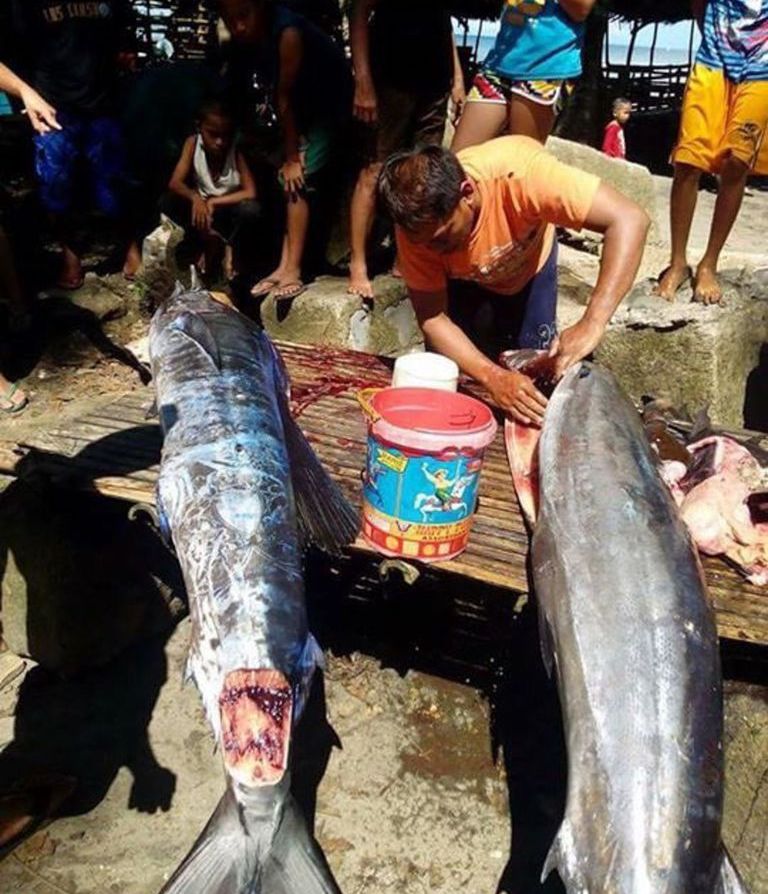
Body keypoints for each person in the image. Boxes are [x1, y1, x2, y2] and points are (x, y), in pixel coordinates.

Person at [377, 137, 650, 426]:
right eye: (424, 243)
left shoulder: (522, 175)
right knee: (457, 391)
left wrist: (593, 321)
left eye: (442, 238)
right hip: (465, 284)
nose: (432, 251)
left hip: (529, 270)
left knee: (540, 389)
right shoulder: (416, 229)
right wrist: (492, 376)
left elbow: (630, 219)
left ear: (467, 193)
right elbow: (432, 317)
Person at [219, 0, 353, 302]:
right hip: (301, 110)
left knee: (298, 178)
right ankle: (281, 265)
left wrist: (293, 157)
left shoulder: (287, 31)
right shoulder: (251, 43)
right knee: (285, 180)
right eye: (230, 20)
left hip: (329, 107)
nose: (238, 26)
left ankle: (293, 268)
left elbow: (285, 98)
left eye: (244, 16)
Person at [9, 0, 140, 289]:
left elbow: (121, 38)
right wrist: (25, 92)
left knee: (115, 183)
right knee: (56, 186)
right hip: (52, 109)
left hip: (103, 104)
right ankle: (71, 255)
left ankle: (130, 247)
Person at [346, 0, 465, 300]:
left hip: (435, 80)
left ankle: (406, 257)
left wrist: (458, 78)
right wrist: (363, 80)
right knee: (374, 169)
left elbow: (443, 20)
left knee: (425, 172)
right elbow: (359, 13)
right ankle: (357, 262)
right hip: (390, 76)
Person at [656, 0, 768, 305]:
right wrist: (713, 33)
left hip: (763, 69)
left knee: (737, 162)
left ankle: (709, 263)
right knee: (688, 161)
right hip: (712, 60)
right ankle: (678, 262)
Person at [451, 0, 596, 152]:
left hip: (545, 66)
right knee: (460, 161)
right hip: (500, 61)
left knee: (520, 162)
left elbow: (581, 10)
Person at [163, 99, 259, 280]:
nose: (220, 142)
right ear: (199, 128)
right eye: (213, 134)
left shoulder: (235, 150)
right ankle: (207, 240)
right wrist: (195, 197)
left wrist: (214, 201)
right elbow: (175, 182)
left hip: (229, 208)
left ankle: (232, 246)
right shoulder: (192, 144)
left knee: (250, 210)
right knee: (168, 202)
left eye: (225, 135)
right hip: (203, 211)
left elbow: (250, 191)